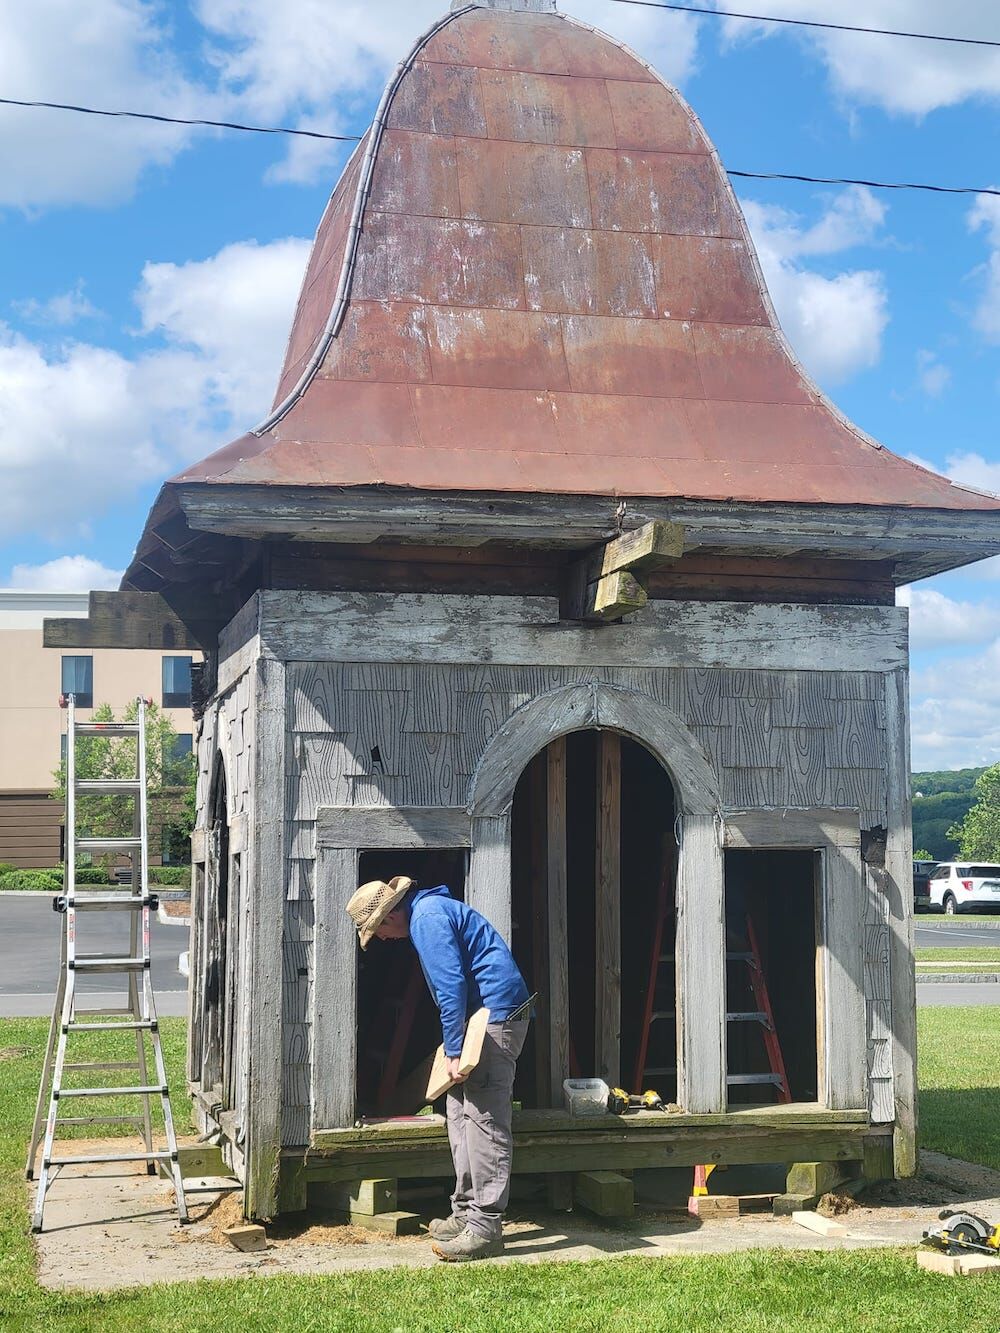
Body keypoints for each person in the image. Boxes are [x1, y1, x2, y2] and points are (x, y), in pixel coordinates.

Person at [346, 875, 530, 1262]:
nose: (380, 938)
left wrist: (454, 1048)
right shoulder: (428, 913)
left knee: (484, 1121)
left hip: (492, 1020)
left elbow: (451, 986)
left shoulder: (427, 918)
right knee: (459, 1114)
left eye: (377, 929)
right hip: (480, 1019)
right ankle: (465, 1212)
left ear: (391, 914)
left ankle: (485, 1228)